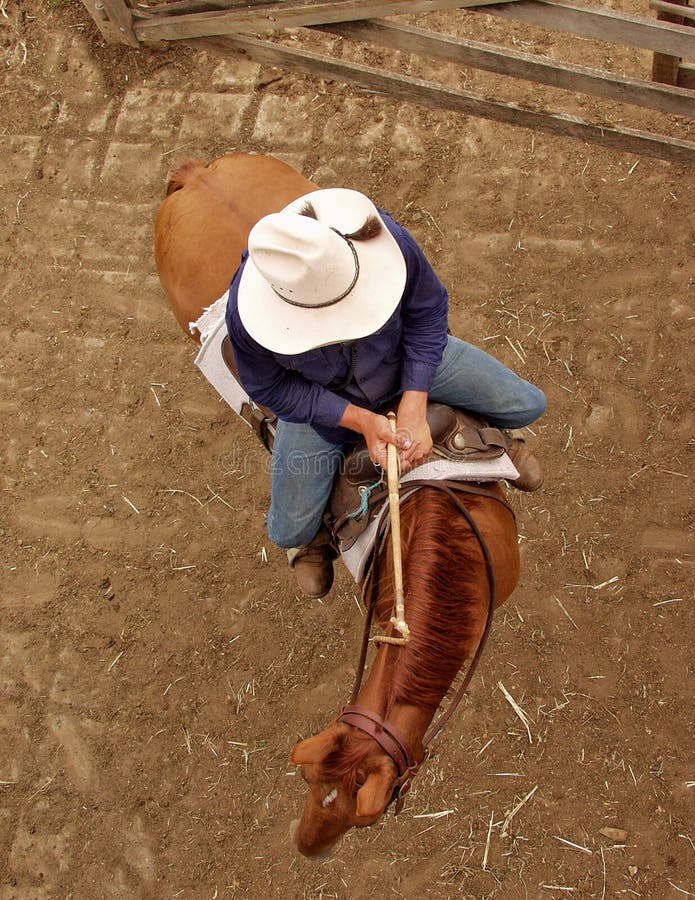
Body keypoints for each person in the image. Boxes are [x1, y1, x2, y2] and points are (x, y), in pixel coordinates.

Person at [226, 188, 546, 598]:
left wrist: (415, 398)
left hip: (403, 361)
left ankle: (495, 440)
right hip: (326, 402)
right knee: (288, 529)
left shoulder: (387, 241)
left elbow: (428, 310)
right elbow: (269, 386)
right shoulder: (245, 311)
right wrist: (358, 420)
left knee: (528, 405)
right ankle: (314, 539)